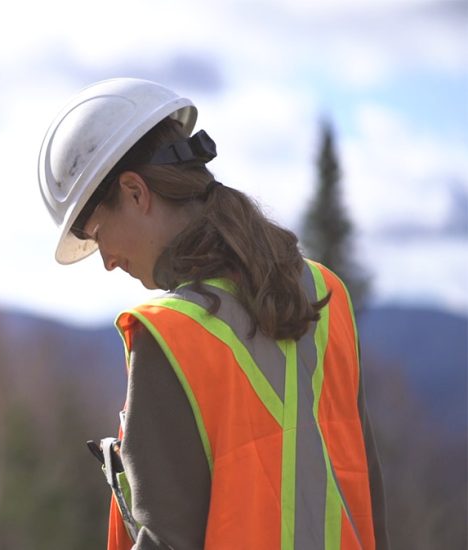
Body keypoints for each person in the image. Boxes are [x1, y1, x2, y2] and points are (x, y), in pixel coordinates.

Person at [37, 78, 388, 549]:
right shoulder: (327, 293)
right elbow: (368, 497)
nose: (108, 261)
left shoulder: (170, 338)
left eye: (99, 235)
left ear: (136, 192)